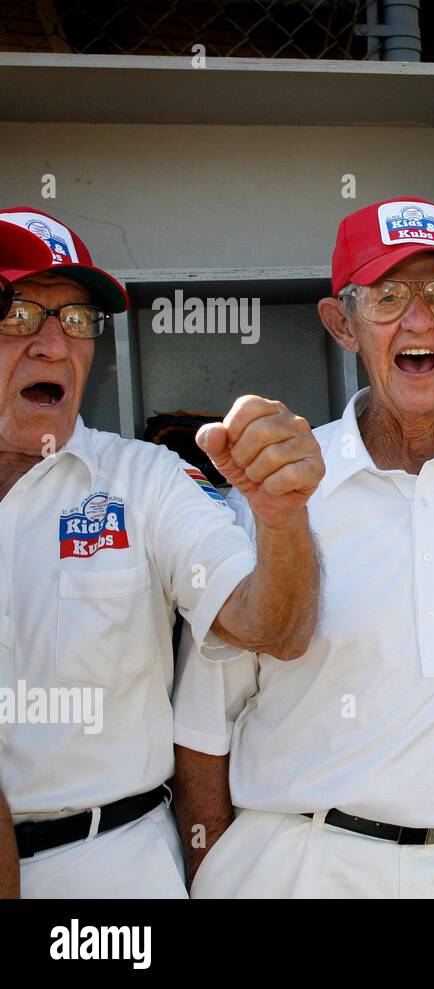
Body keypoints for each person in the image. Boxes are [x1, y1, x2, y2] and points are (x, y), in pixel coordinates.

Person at [173, 197, 434, 898]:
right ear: (342, 323)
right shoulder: (276, 483)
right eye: (387, 296)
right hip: (308, 861)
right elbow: (203, 722)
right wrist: (213, 868)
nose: (418, 320)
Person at [0, 206, 323, 899]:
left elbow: (276, 627)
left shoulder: (145, 480)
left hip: (115, 870)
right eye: (21, 312)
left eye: (78, 319)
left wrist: (280, 517)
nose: (54, 345)